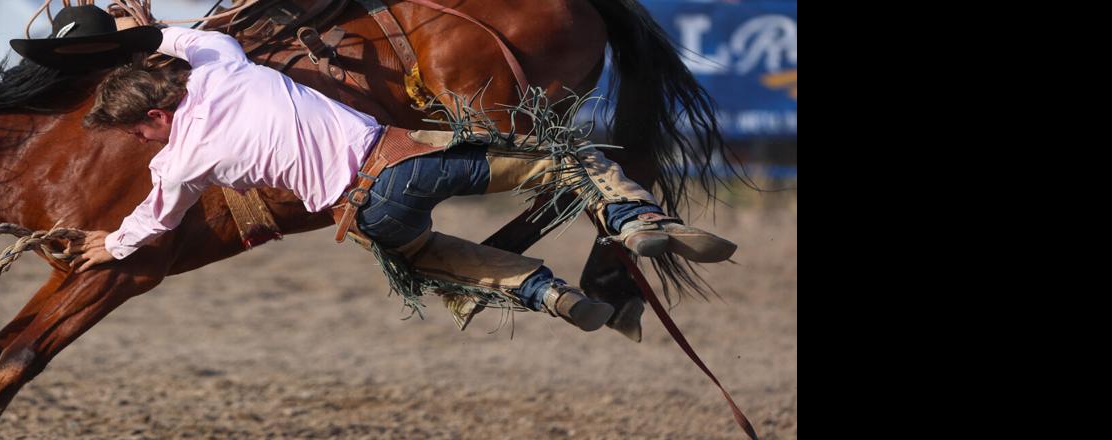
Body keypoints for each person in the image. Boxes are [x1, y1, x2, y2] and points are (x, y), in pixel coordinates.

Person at [54, 21, 735, 337]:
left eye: (139, 130)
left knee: (434, 261)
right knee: (564, 158)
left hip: (362, 218)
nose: (145, 144)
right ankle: (635, 220)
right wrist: (138, 27)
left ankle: (550, 296)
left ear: (157, 114)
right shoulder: (223, 64)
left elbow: (153, 222)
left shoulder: (178, 162)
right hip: (398, 165)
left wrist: (102, 247)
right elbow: (182, 36)